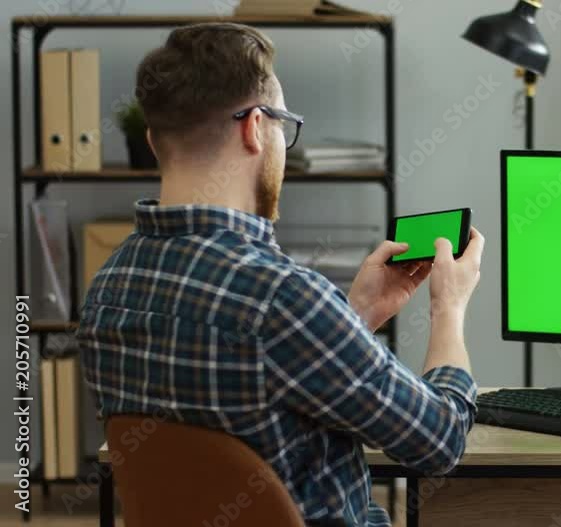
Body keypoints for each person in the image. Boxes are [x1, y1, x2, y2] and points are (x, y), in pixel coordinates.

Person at [76, 23, 482, 526]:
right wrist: (449, 308)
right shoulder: (283, 300)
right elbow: (438, 443)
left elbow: (258, 380)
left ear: (155, 141)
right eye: (284, 125)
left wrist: (353, 316)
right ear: (254, 127)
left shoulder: (108, 288)